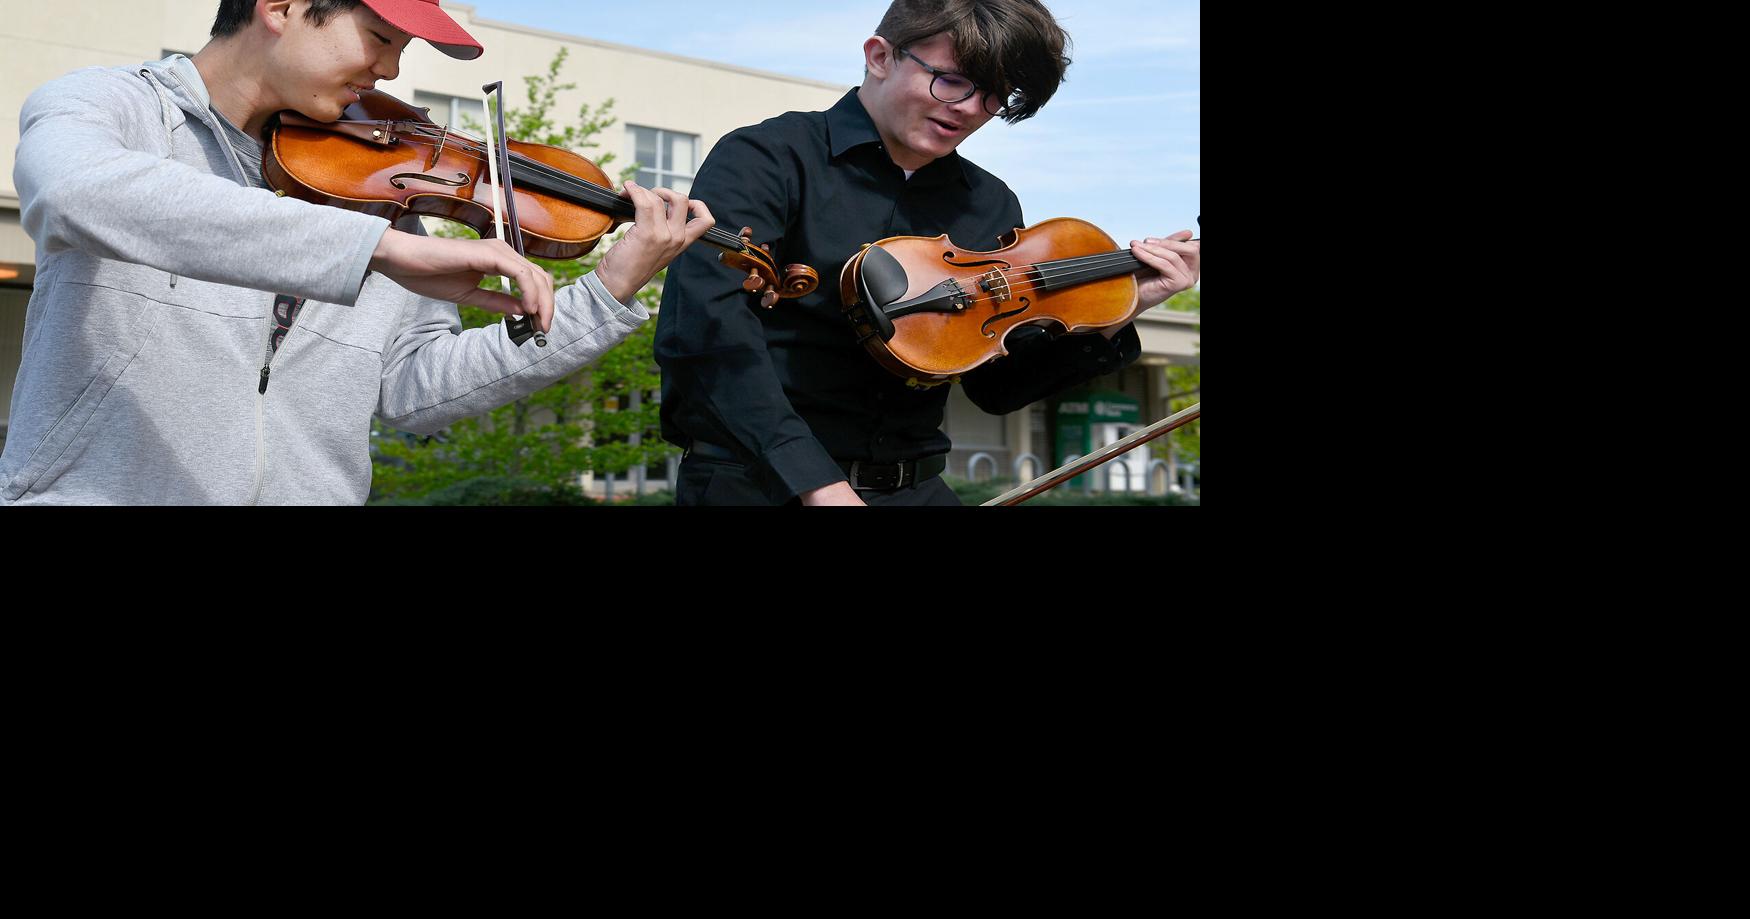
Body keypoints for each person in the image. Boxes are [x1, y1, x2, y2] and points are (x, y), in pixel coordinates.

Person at [0, 0, 713, 505]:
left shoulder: (377, 185)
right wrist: (371, 249)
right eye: (379, 36)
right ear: (280, 7)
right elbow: (72, 193)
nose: (392, 73)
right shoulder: (112, 106)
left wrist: (609, 288)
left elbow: (417, 389)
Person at [655, 0, 1198, 506]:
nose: (970, 110)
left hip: (915, 488)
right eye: (953, 81)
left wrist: (1125, 305)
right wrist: (815, 480)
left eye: (993, 95)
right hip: (754, 483)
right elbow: (706, 331)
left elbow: (996, 386)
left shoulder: (988, 203)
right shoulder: (767, 157)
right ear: (880, 56)